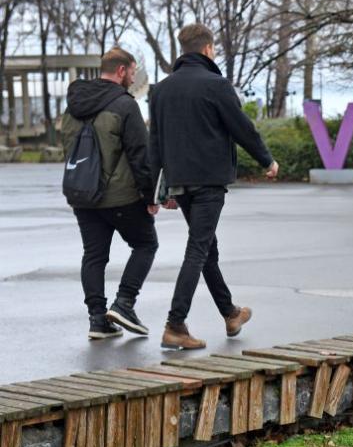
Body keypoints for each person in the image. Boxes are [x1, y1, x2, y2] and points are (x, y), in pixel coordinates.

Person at [148, 23, 278, 350]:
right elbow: (242, 128)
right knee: (199, 248)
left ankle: (230, 313)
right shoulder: (216, 85)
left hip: (181, 182)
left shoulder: (161, 90)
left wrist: (157, 190)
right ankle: (175, 324)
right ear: (207, 49)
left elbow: (155, 143)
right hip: (209, 182)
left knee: (207, 248)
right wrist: (267, 160)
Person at [62, 47, 158, 340]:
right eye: (131, 71)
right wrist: (150, 196)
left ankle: (97, 320)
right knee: (146, 243)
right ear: (121, 71)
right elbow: (141, 156)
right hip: (120, 197)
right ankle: (124, 303)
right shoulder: (125, 105)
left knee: (93, 255)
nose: (132, 77)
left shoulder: (74, 103)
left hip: (81, 192)